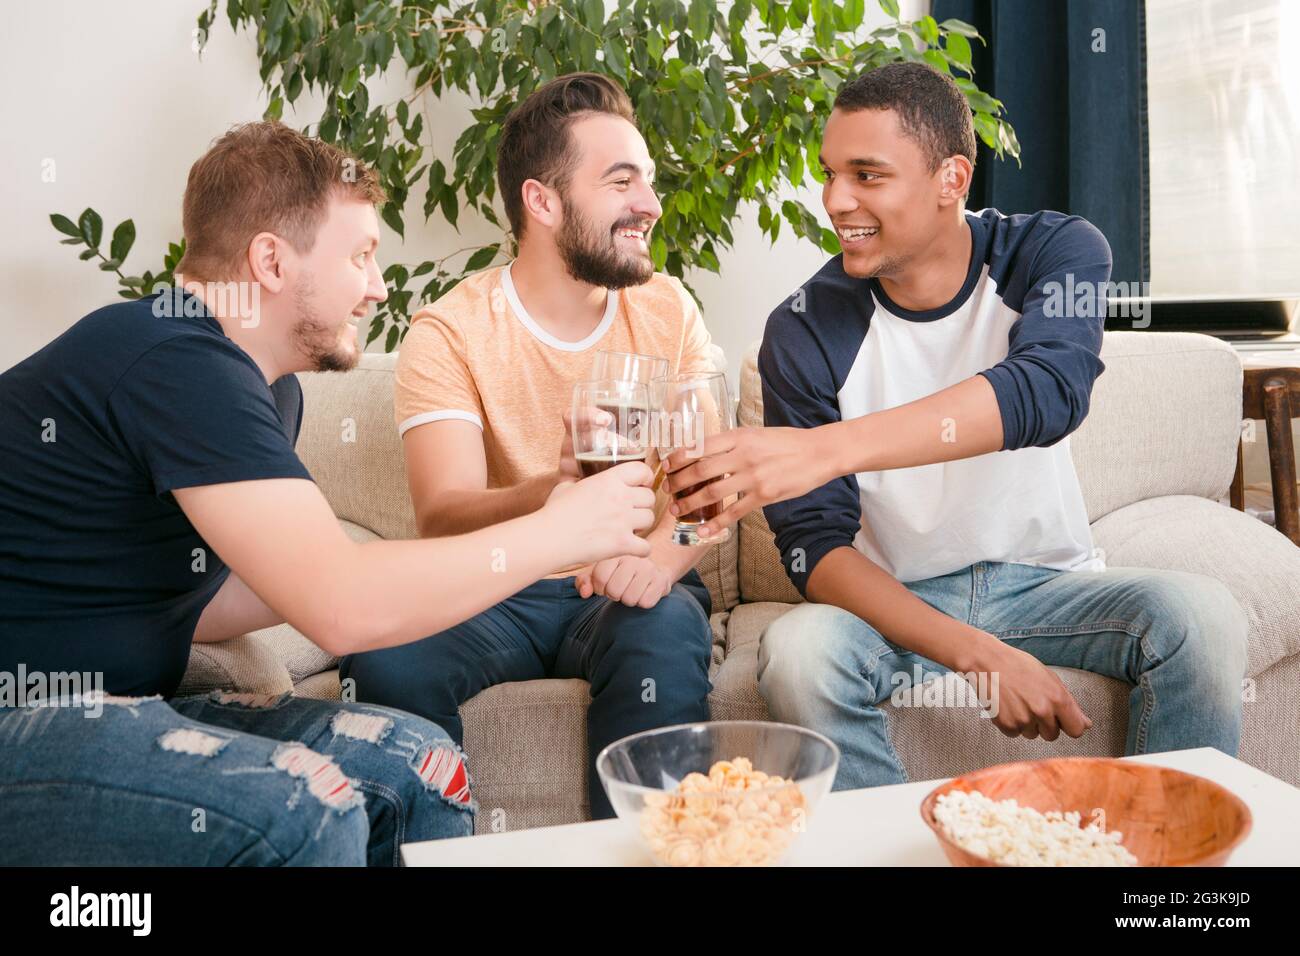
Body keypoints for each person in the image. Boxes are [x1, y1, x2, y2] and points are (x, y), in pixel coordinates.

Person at [0, 121, 656, 864]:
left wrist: (540, 506)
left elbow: (215, 602)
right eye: (362, 256)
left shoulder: (270, 392)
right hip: (26, 715)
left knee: (418, 764)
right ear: (271, 261)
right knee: (306, 809)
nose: (379, 287)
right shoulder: (172, 357)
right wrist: (561, 534)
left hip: (116, 709)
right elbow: (341, 610)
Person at [664, 63, 1249, 790]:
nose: (836, 200)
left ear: (952, 179)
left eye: (868, 175)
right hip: (897, 601)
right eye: (831, 173)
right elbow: (815, 551)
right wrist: (976, 652)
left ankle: (1154, 869)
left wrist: (822, 451)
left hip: (1049, 586)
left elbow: (1050, 390)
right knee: (800, 654)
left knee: (1205, 618)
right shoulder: (803, 329)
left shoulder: (1057, 253)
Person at [341, 73, 719, 819]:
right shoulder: (449, 331)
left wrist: (660, 558)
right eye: (621, 181)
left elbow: (709, 490)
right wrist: (553, 500)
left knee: (667, 628)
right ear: (541, 202)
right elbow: (444, 515)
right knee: (385, 661)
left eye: (647, 180)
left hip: (627, 580)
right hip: (496, 583)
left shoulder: (667, 310)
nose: (649, 203)